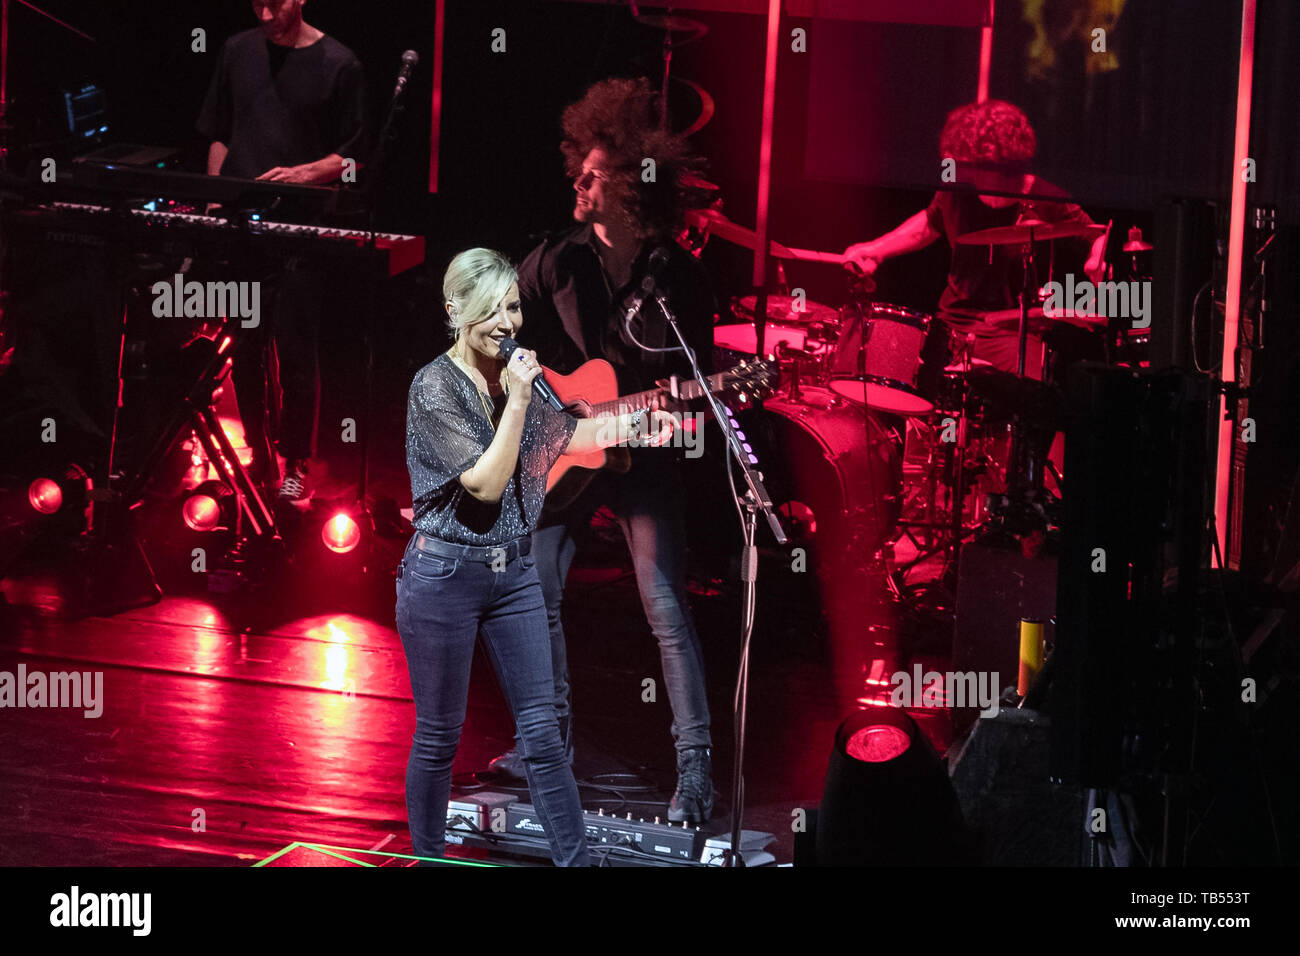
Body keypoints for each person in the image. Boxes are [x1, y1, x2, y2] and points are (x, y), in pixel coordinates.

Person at [488, 77, 719, 825]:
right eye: (579, 171)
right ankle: (543, 744)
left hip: (643, 455)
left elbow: (696, 404)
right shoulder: (556, 260)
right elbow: (492, 343)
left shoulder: (676, 278)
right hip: (562, 453)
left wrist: (658, 420)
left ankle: (696, 772)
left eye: (593, 175)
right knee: (534, 595)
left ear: (628, 186)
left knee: (664, 606)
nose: (578, 182)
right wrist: (539, 406)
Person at [397, 247, 676, 866]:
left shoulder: (523, 379)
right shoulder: (435, 387)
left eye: (513, 306)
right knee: (440, 737)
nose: (507, 322)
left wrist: (635, 424)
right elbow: (485, 485)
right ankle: (429, 859)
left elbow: (568, 435)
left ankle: (575, 862)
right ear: (454, 311)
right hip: (444, 576)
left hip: (514, 574)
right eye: (490, 310)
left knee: (545, 738)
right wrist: (519, 401)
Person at [196, 0, 368, 505]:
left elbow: (355, 161)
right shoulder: (236, 51)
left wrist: (301, 175)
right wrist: (214, 197)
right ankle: (258, 452)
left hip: (299, 228)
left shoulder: (341, 65)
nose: (268, 14)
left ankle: (296, 463)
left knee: (294, 352)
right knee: (243, 348)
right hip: (241, 227)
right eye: (258, 4)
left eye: (278, 3)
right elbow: (221, 136)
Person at [843, 99, 1107, 385]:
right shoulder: (958, 188)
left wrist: (1096, 261)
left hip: (1012, 332)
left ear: (1004, 165)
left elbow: (1096, 233)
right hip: (952, 324)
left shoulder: (1045, 196)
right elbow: (929, 225)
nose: (966, 172)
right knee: (907, 388)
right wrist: (875, 250)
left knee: (1030, 396)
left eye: (976, 167)